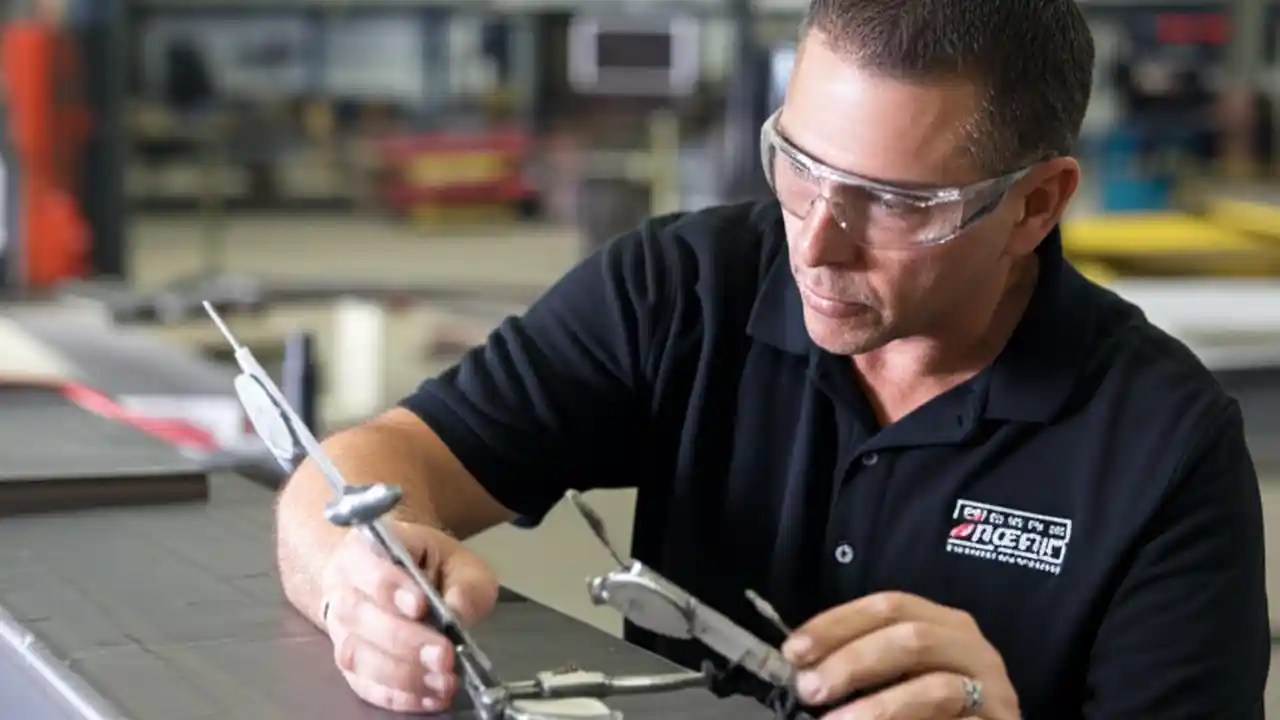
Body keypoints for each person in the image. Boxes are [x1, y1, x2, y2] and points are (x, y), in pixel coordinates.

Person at [274, 1, 1271, 718]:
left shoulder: (1162, 447)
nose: (816, 243)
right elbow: (375, 461)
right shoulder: (682, 289)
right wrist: (360, 582)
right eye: (798, 164)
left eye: (893, 202)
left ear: (1035, 204)